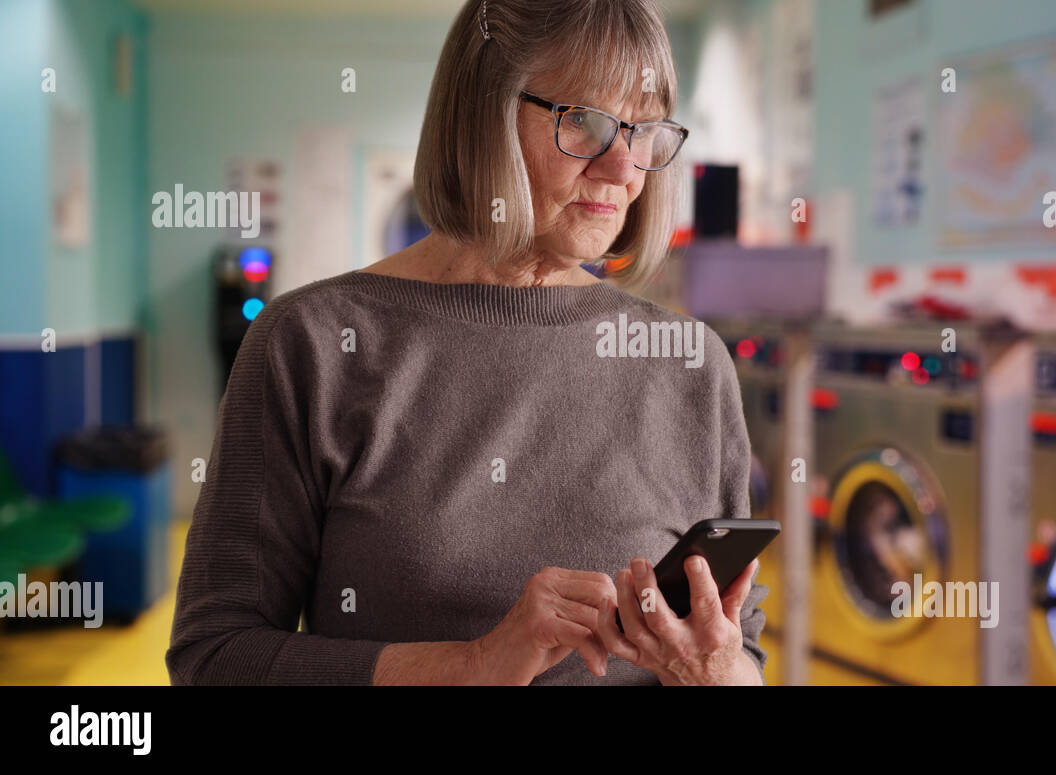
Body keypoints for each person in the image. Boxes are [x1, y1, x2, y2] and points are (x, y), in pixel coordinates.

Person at [165, 0, 768, 686]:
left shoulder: (689, 364)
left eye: (643, 130)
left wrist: (719, 670)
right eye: (585, 122)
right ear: (482, 115)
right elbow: (216, 658)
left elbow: (740, 649)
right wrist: (472, 665)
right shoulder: (311, 344)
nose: (623, 170)